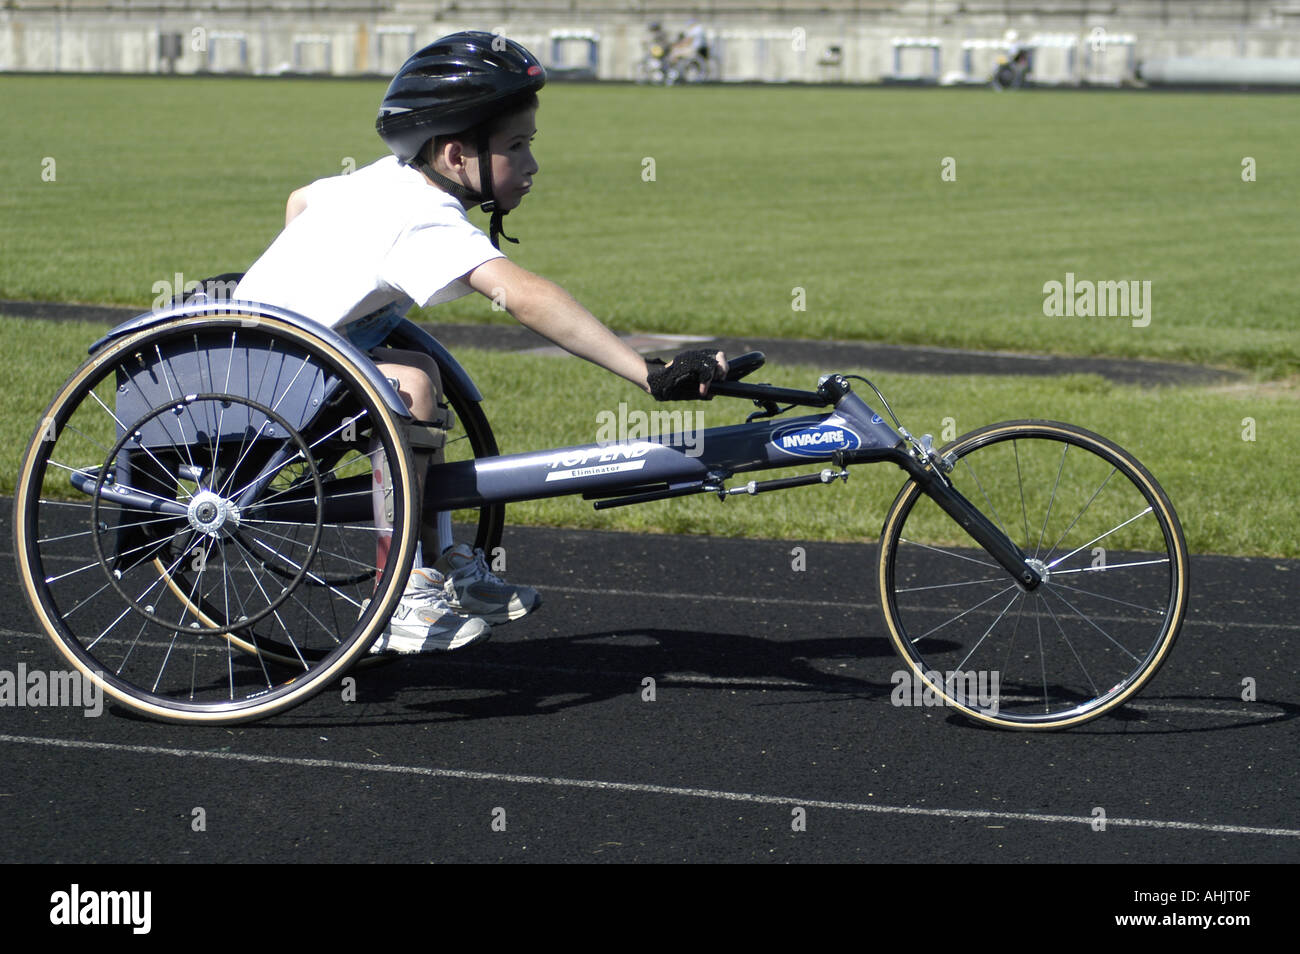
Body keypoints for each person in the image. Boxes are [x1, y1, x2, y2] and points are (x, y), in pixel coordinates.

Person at [234, 32, 727, 654]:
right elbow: (525, 296)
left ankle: (439, 564)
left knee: (417, 372)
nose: (532, 164)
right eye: (516, 147)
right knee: (409, 384)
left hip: (255, 357)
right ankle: (400, 588)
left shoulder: (389, 181)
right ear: (455, 154)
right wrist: (646, 372)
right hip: (256, 382)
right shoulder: (423, 218)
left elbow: (300, 200)